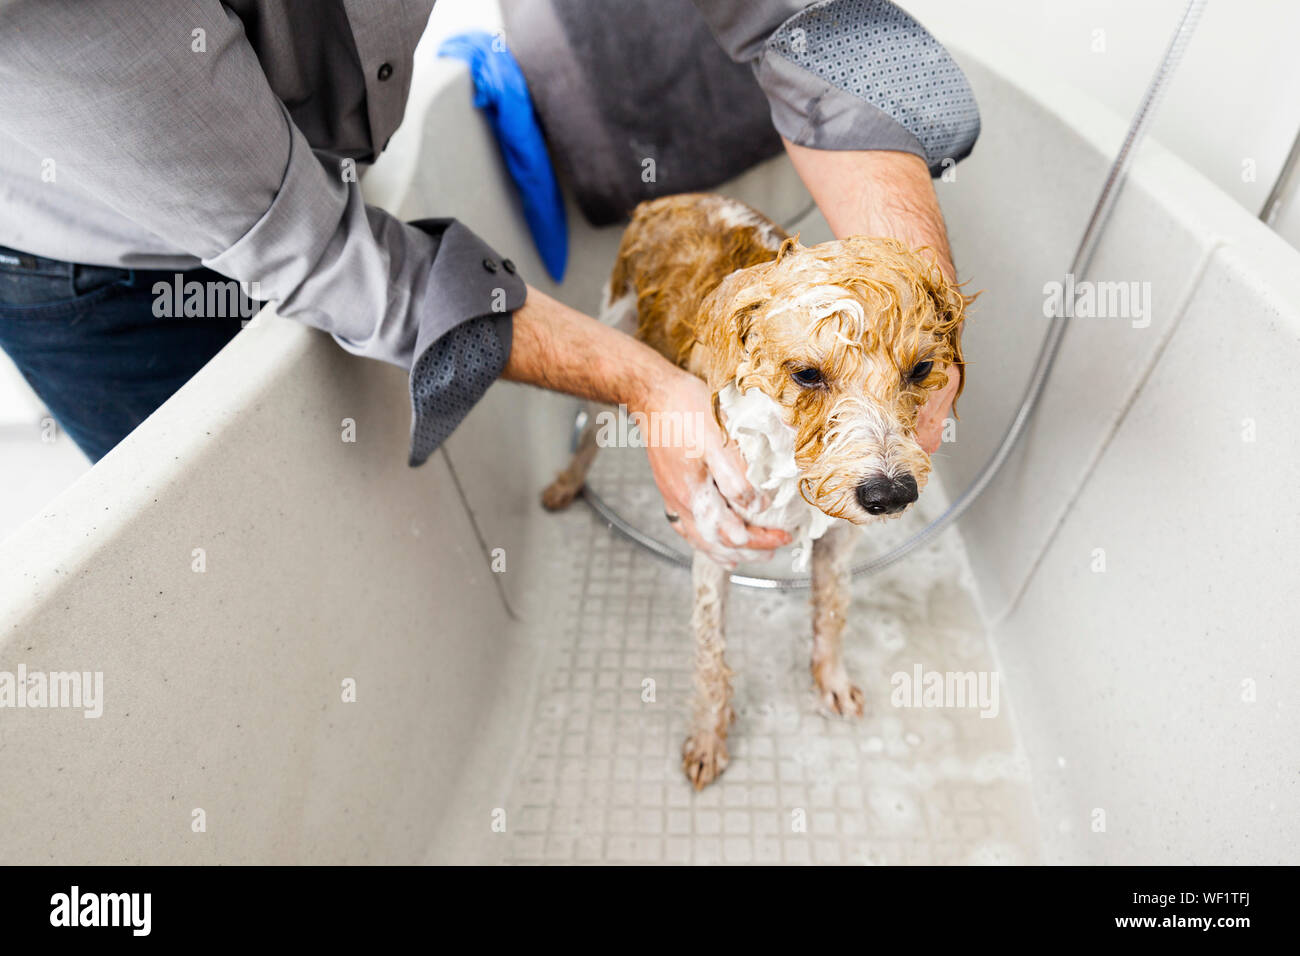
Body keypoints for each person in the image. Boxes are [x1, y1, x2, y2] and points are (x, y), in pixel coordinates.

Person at [0, 0, 978, 567]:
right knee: (232, 559)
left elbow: (795, 16)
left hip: (308, 177)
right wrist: (650, 383)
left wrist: (915, 307)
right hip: (100, 277)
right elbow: (326, 258)